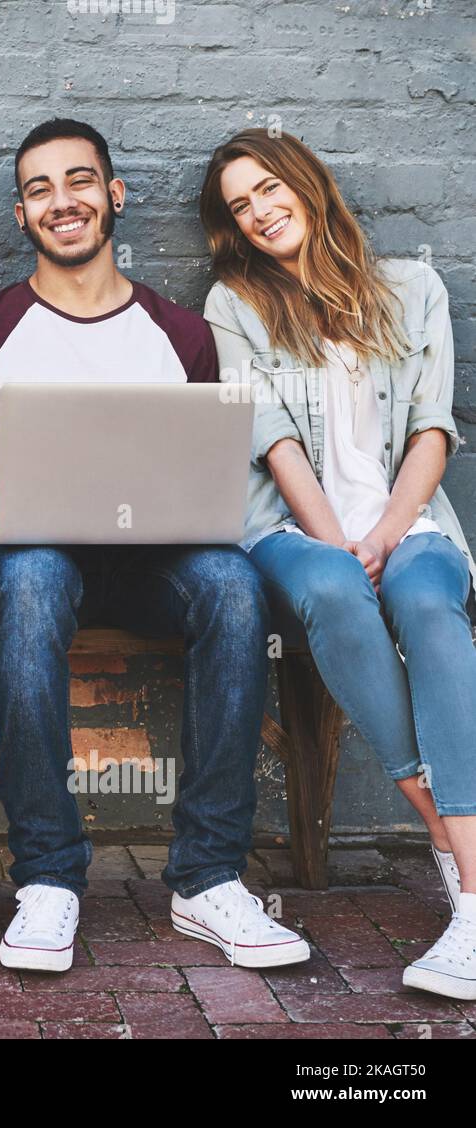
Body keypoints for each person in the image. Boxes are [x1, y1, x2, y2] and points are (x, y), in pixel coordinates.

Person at [0, 119, 311, 973]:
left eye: (79, 181)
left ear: (113, 195)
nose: (61, 201)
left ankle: (208, 877)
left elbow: (214, 466)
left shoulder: (182, 334)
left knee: (232, 584)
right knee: (28, 584)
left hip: (157, 561)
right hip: (38, 554)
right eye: (39, 188)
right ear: (23, 213)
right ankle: (49, 879)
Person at [201, 128, 476, 1000]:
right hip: (294, 526)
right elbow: (273, 442)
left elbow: (433, 427)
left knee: (433, 608)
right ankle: (461, 851)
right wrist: (340, 547)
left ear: (309, 187)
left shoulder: (414, 289)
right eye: (241, 206)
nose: (260, 212)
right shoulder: (233, 305)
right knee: (331, 590)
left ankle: (471, 901)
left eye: (270, 189)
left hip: (410, 518)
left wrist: (391, 533)